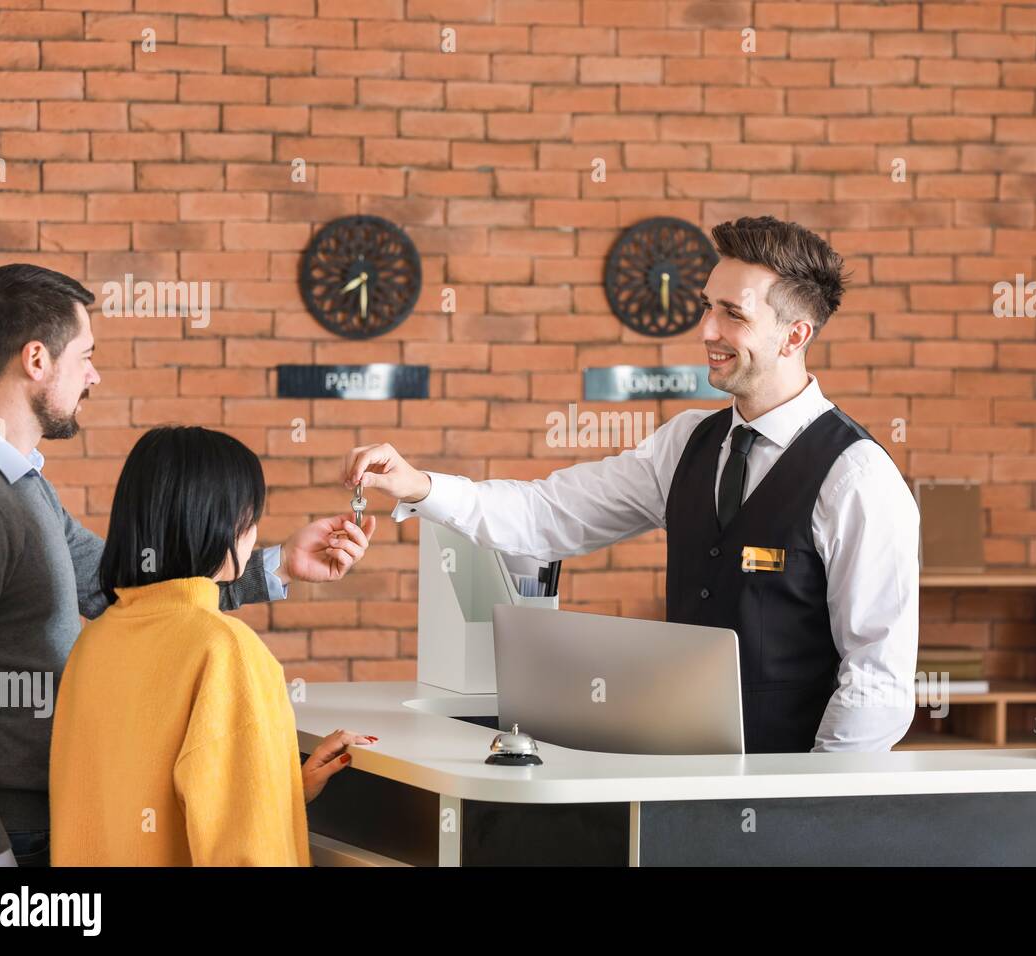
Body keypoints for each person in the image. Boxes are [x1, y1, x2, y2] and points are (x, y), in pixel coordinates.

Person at [343, 216, 920, 755]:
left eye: (732, 314)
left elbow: (877, 678)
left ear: (794, 336)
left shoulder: (856, 478)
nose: (706, 330)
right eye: (705, 307)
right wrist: (420, 486)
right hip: (682, 778)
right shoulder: (687, 442)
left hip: (788, 802)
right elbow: (550, 515)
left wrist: (811, 801)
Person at [0, 264, 376, 867]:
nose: (94, 375)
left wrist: (273, 562)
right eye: (86, 356)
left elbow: (129, 586)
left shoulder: (20, 483)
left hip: (56, 825)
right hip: (5, 838)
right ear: (37, 360)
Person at [50, 427, 369, 866]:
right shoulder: (224, 652)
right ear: (224, 525)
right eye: (252, 517)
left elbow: (141, 798)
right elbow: (247, 855)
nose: (255, 533)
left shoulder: (95, 643)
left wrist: (280, 788)